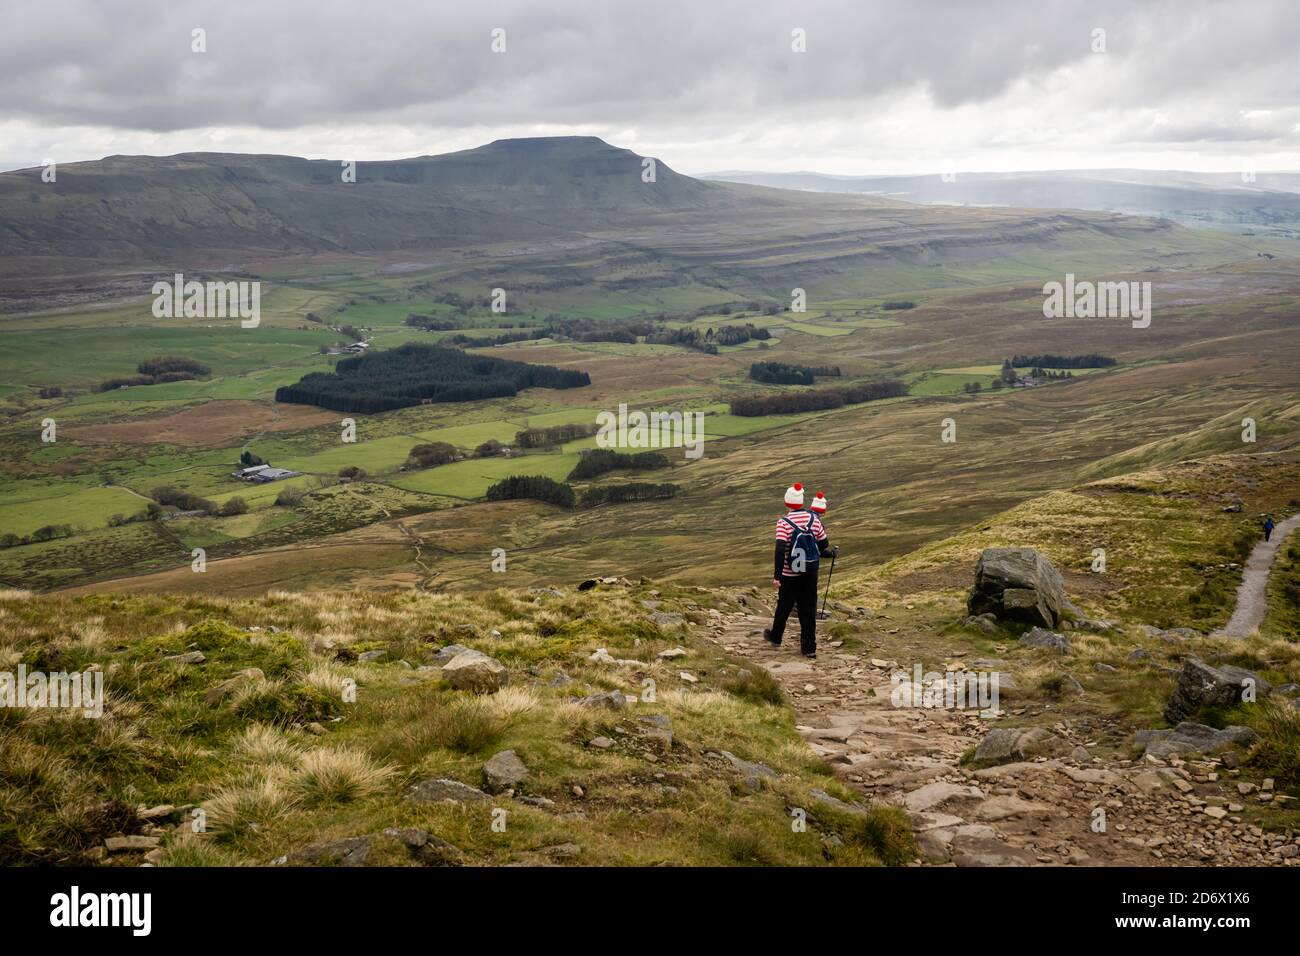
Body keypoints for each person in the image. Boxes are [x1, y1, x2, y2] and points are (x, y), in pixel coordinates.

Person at [763, 483, 835, 659]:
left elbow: (780, 550)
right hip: (810, 574)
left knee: (784, 607)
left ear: (787, 503)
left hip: (790, 574)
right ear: (802, 501)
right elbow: (823, 544)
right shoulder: (814, 520)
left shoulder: (783, 523)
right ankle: (809, 648)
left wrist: (777, 576)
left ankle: (776, 638)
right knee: (808, 610)